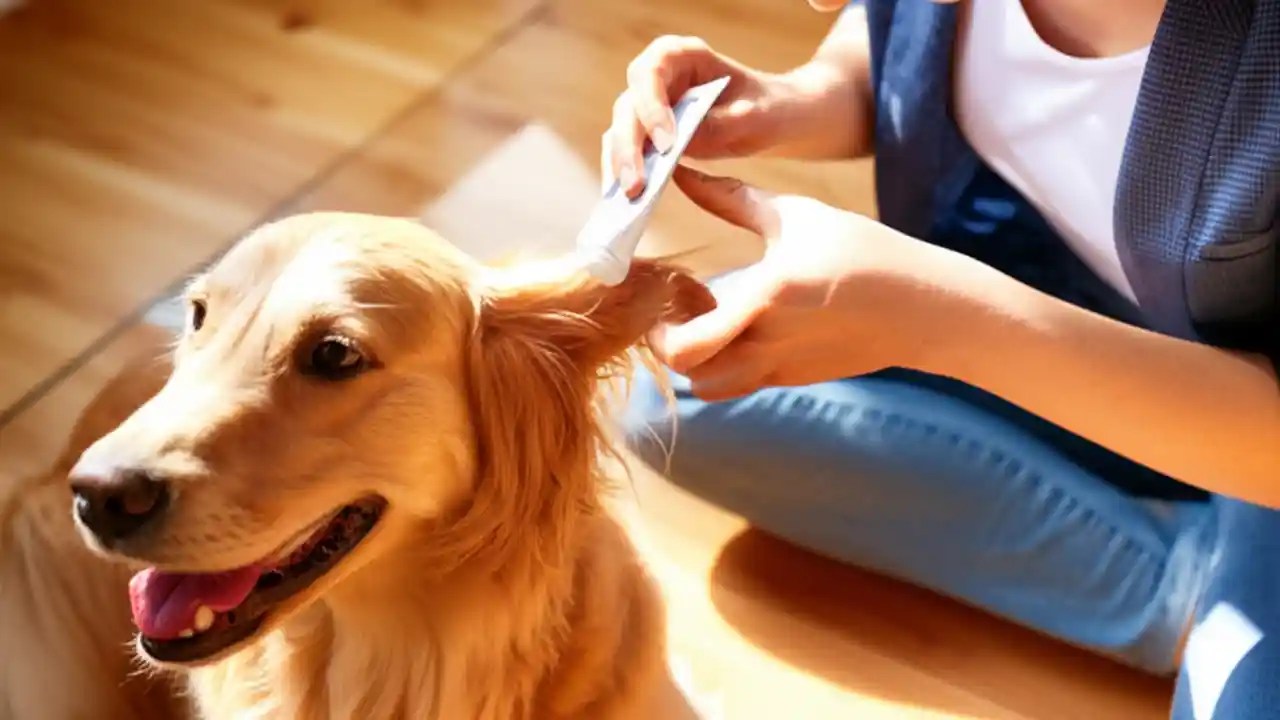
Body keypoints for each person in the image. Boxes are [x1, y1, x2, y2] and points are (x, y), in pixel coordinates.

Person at [607, 1, 1280, 718]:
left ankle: (1210, 577)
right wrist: (793, 100)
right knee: (683, 389)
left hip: (1252, 437)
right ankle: (1187, 582)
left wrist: (938, 320)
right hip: (1069, 343)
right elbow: (893, 44)